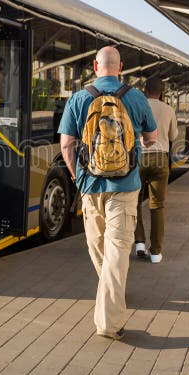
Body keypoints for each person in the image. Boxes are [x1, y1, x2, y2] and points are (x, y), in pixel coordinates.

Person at [59, 46, 157, 341]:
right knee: (117, 250)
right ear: (121, 67)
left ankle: (109, 311)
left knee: (99, 247)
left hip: (90, 187)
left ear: (94, 66)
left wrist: (78, 177)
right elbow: (151, 139)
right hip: (125, 188)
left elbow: (66, 145)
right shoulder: (137, 97)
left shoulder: (78, 98)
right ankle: (110, 317)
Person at [134, 77, 178, 264]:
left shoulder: (137, 105)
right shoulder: (168, 109)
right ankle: (156, 253)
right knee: (157, 206)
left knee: (134, 201)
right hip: (160, 158)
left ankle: (139, 243)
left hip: (139, 156)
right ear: (162, 92)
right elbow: (173, 135)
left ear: (145, 89)